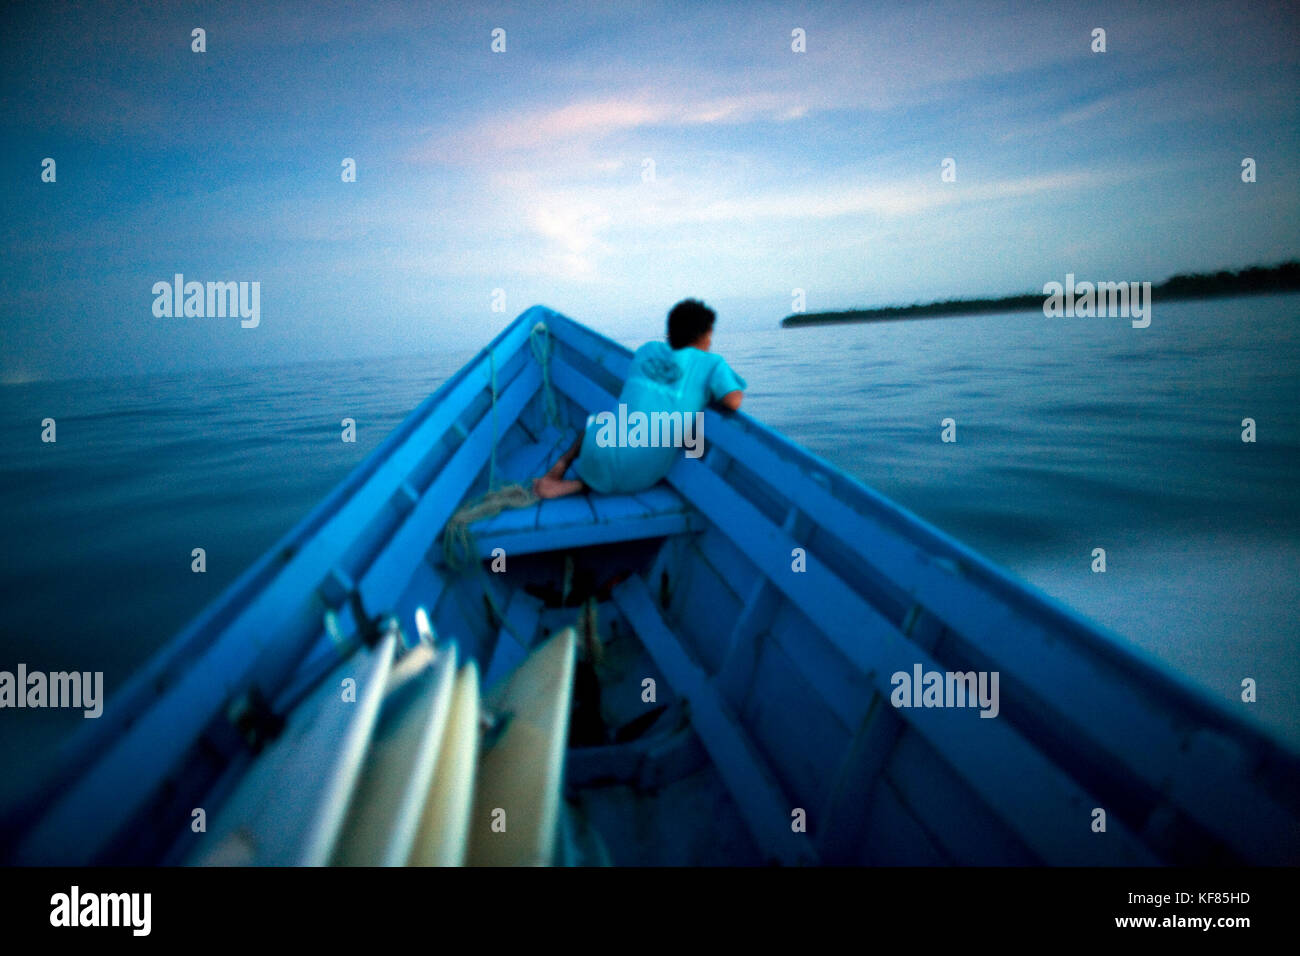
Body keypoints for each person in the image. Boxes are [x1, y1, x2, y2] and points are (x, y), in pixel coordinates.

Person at [532, 299, 746, 499]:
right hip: (638, 473)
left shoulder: (647, 350)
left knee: (597, 424)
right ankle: (578, 486)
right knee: (630, 461)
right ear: (706, 335)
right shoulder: (712, 363)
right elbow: (733, 401)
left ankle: (560, 467)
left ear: (669, 332)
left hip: (595, 451)